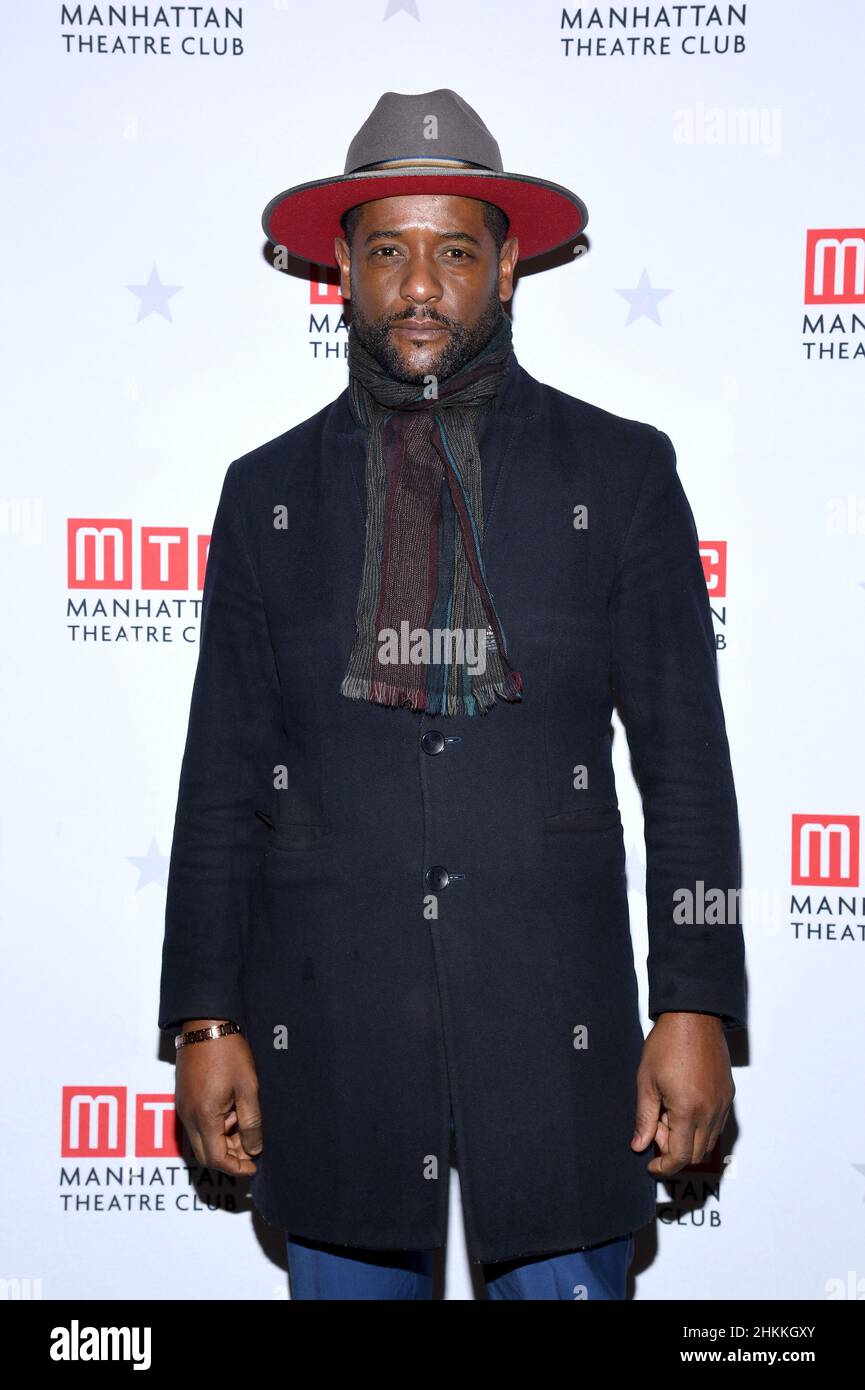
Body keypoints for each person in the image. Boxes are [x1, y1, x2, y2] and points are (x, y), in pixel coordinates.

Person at [158, 89, 746, 1301]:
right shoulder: (265, 496)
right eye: (387, 251)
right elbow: (221, 781)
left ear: (509, 264)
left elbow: (686, 767)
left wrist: (696, 1002)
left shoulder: (620, 474)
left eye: (455, 252)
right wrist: (205, 1020)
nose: (419, 286)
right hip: (331, 1031)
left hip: (560, 1034)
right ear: (342, 269)